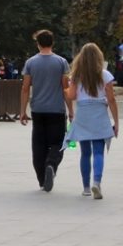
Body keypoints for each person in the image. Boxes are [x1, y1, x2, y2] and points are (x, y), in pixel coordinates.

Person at [65, 43, 120, 200]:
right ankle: (97, 181)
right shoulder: (105, 75)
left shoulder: (76, 75)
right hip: (99, 114)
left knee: (85, 153)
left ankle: (86, 188)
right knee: (98, 151)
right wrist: (116, 122)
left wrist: (67, 90)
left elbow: (72, 96)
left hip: (82, 114)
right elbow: (111, 99)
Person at [20, 29, 72, 193]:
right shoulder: (61, 62)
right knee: (58, 143)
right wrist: (71, 110)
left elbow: (25, 88)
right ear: (52, 43)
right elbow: (66, 88)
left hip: (38, 110)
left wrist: (22, 110)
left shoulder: (30, 63)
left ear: (38, 43)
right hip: (56, 110)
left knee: (38, 145)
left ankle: (42, 178)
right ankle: (51, 163)